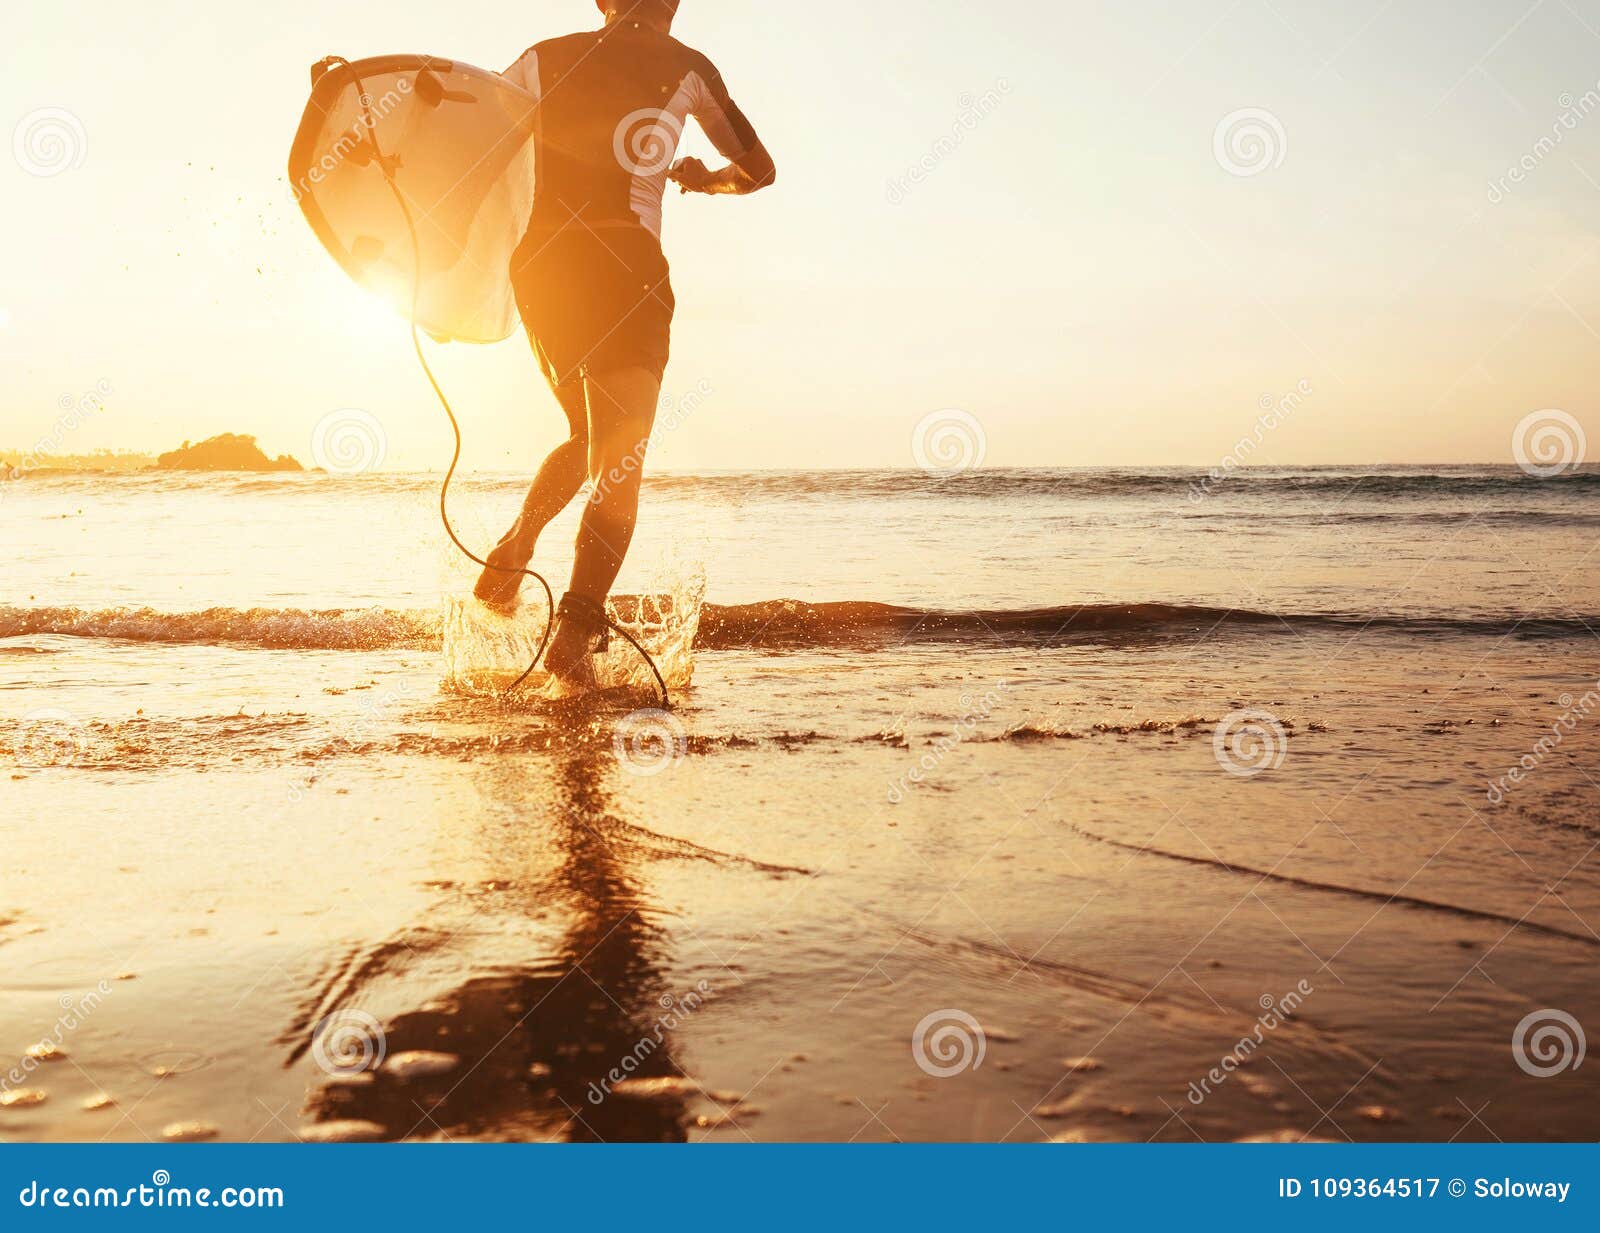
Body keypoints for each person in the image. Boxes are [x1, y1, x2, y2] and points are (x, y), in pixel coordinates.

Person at [475, 0, 776, 684]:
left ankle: (518, 542)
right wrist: (708, 180)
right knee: (620, 457)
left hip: (542, 268)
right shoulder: (688, 66)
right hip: (623, 266)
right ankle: (575, 635)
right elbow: (759, 170)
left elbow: (472, 153)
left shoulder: (539, 57)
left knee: (588, 433)